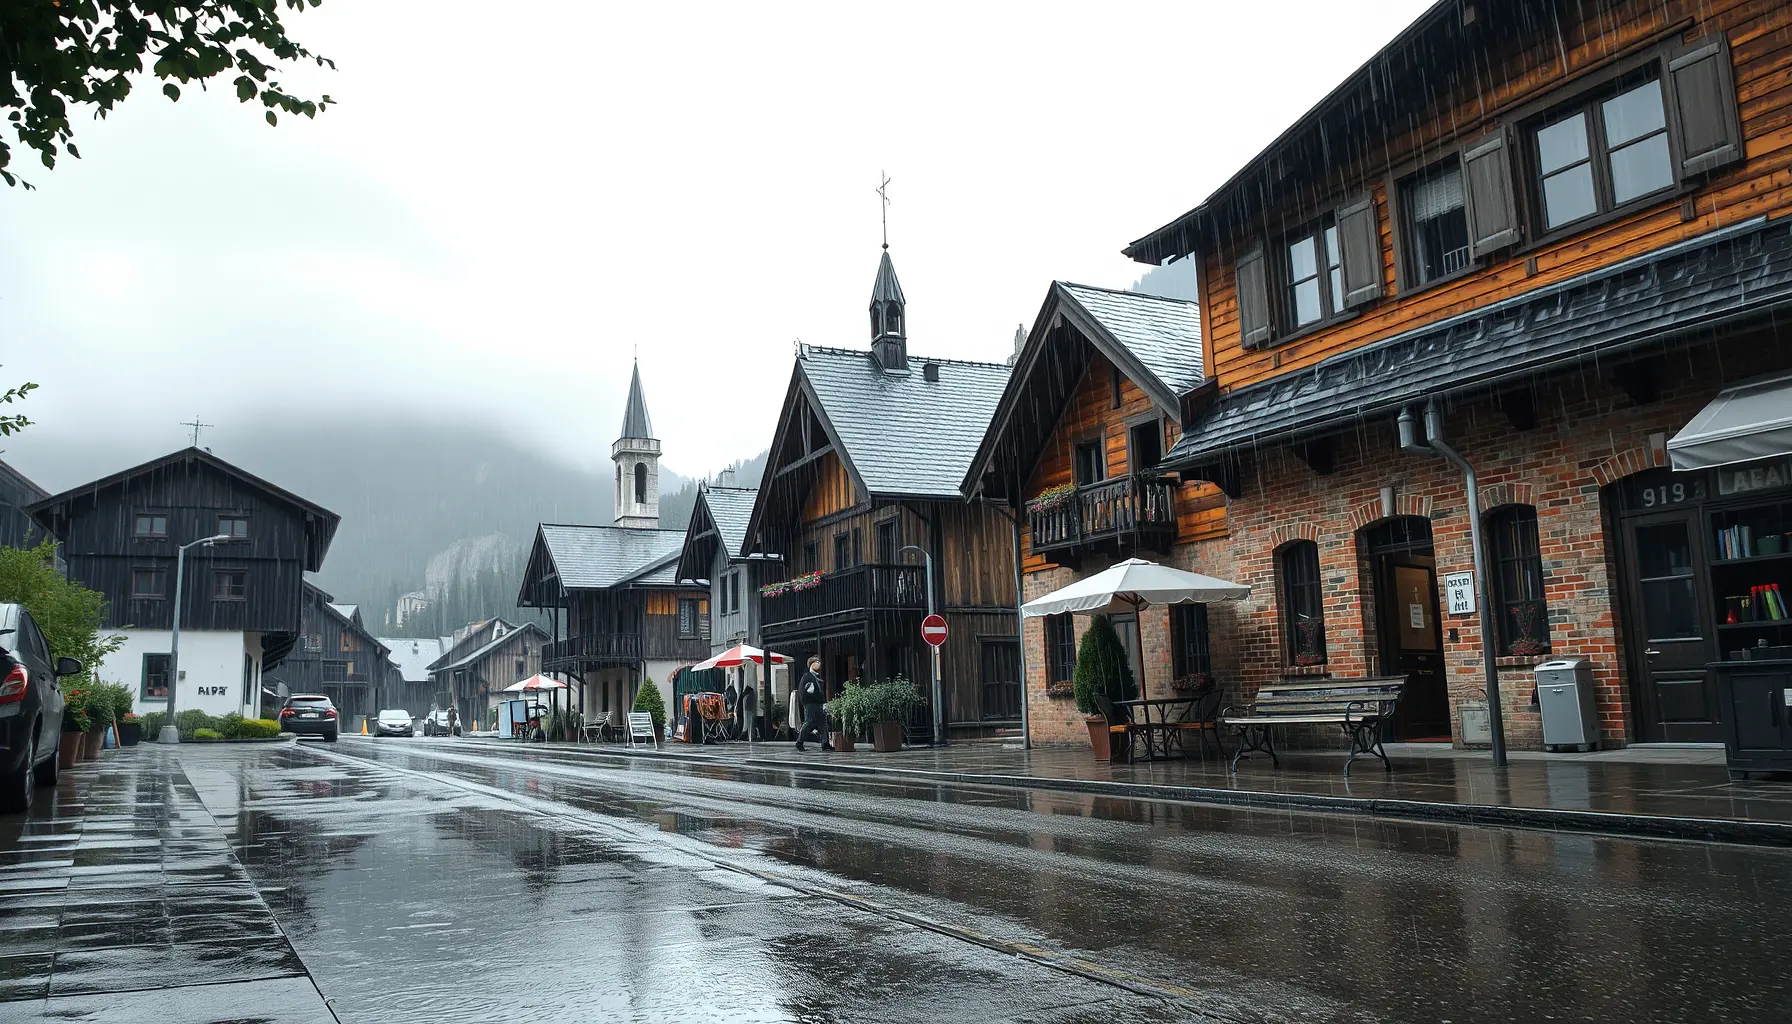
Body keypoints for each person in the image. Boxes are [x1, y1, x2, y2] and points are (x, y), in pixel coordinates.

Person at [794, 656, 832, 752]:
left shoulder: (818, 677)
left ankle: (825, 743)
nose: (818, 664)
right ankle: (799, 742)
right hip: (810, 704)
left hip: (819, 704)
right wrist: (807, 699)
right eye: (816, 662)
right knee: (808, 723)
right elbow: (802, 691)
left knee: (823, 723)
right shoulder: (807, 676)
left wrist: (823, 702)